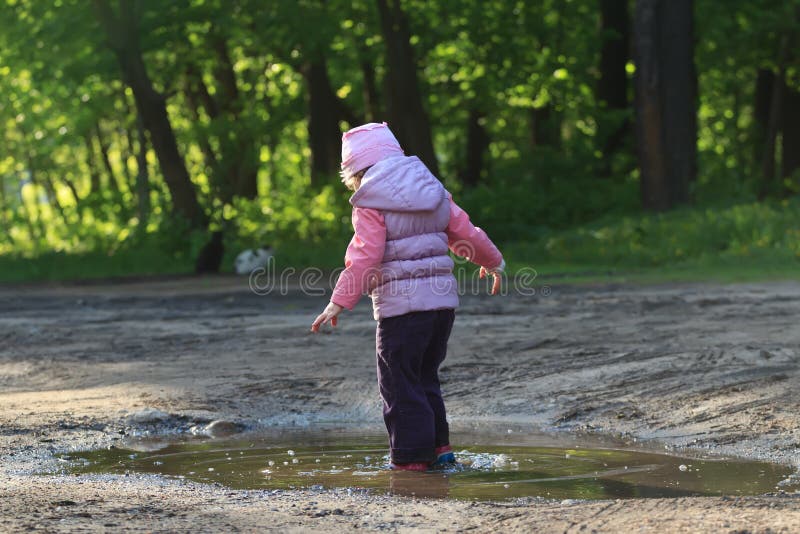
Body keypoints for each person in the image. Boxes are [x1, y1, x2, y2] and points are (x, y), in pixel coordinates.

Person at [310, 122, 504, 471]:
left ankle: (411, 463)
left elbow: (364, 256)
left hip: (401, 313)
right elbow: (464, 232)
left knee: (400, 384)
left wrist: (339, 299)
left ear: (356, 171)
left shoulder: (370, 200)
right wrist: (493, 261)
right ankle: (440, 450)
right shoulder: (433, 189)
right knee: (425, 376)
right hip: (441, 309)